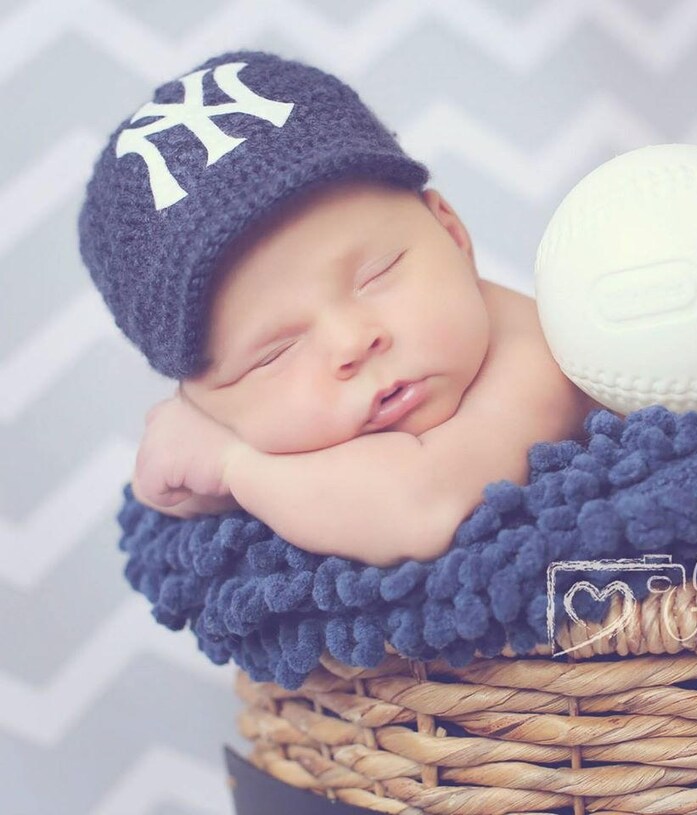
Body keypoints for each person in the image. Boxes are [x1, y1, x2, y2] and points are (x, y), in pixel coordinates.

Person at [79, 51, 600, 567]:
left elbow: (423, 505)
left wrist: (231, 465)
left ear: (450, 231)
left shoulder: (537, 350)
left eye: (378, 274)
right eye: (274, 353)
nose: (353, 340)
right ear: (200, 402)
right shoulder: (237, 418)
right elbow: (164, 489)